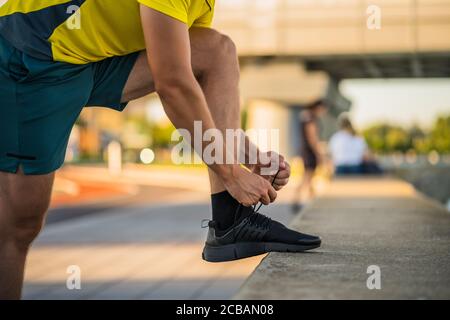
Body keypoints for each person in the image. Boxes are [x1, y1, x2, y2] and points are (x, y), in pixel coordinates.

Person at [0, 0, 320, 299]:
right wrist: (232, 173)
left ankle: (230, 220)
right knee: (20, 224)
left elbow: (195, 90)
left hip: (92, 60)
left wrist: (248, 156)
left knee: (216, 51)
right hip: (33, 55)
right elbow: (173, 84)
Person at [292, 99, 327, 213]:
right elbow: (312, 138)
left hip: (306, 150)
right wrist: (319, 153)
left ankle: (312, 200)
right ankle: (297, 200)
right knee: (307, 176)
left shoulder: (305, 116)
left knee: (310, 177)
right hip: (309, 152)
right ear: (318, 107)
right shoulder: (310, 118)